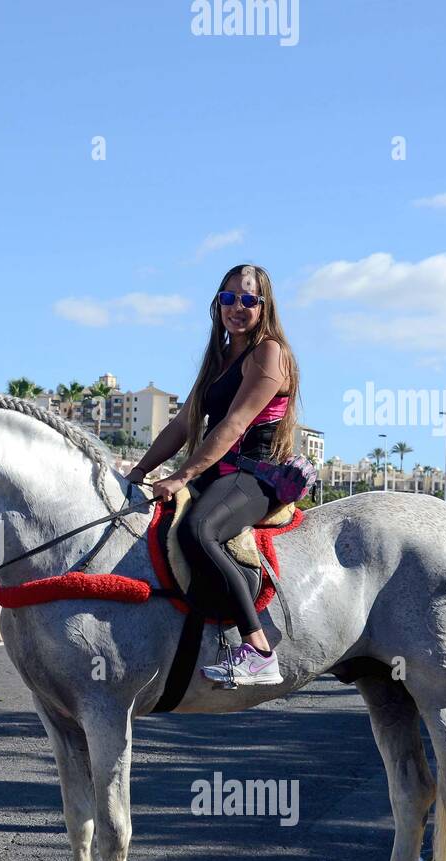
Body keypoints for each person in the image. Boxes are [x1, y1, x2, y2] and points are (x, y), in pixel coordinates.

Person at [128, 263, 298, 685]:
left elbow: (235, 425)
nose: (236, 307)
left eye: (247, 299)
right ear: (216, 305)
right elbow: (183, 423)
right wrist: (140, 471)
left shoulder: (269, 353)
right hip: (220, 473)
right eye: (227, 299)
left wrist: (182, 476)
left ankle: (258, 649)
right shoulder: (218, 359)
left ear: (264, 306)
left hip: (257, 474)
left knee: (199, 531)